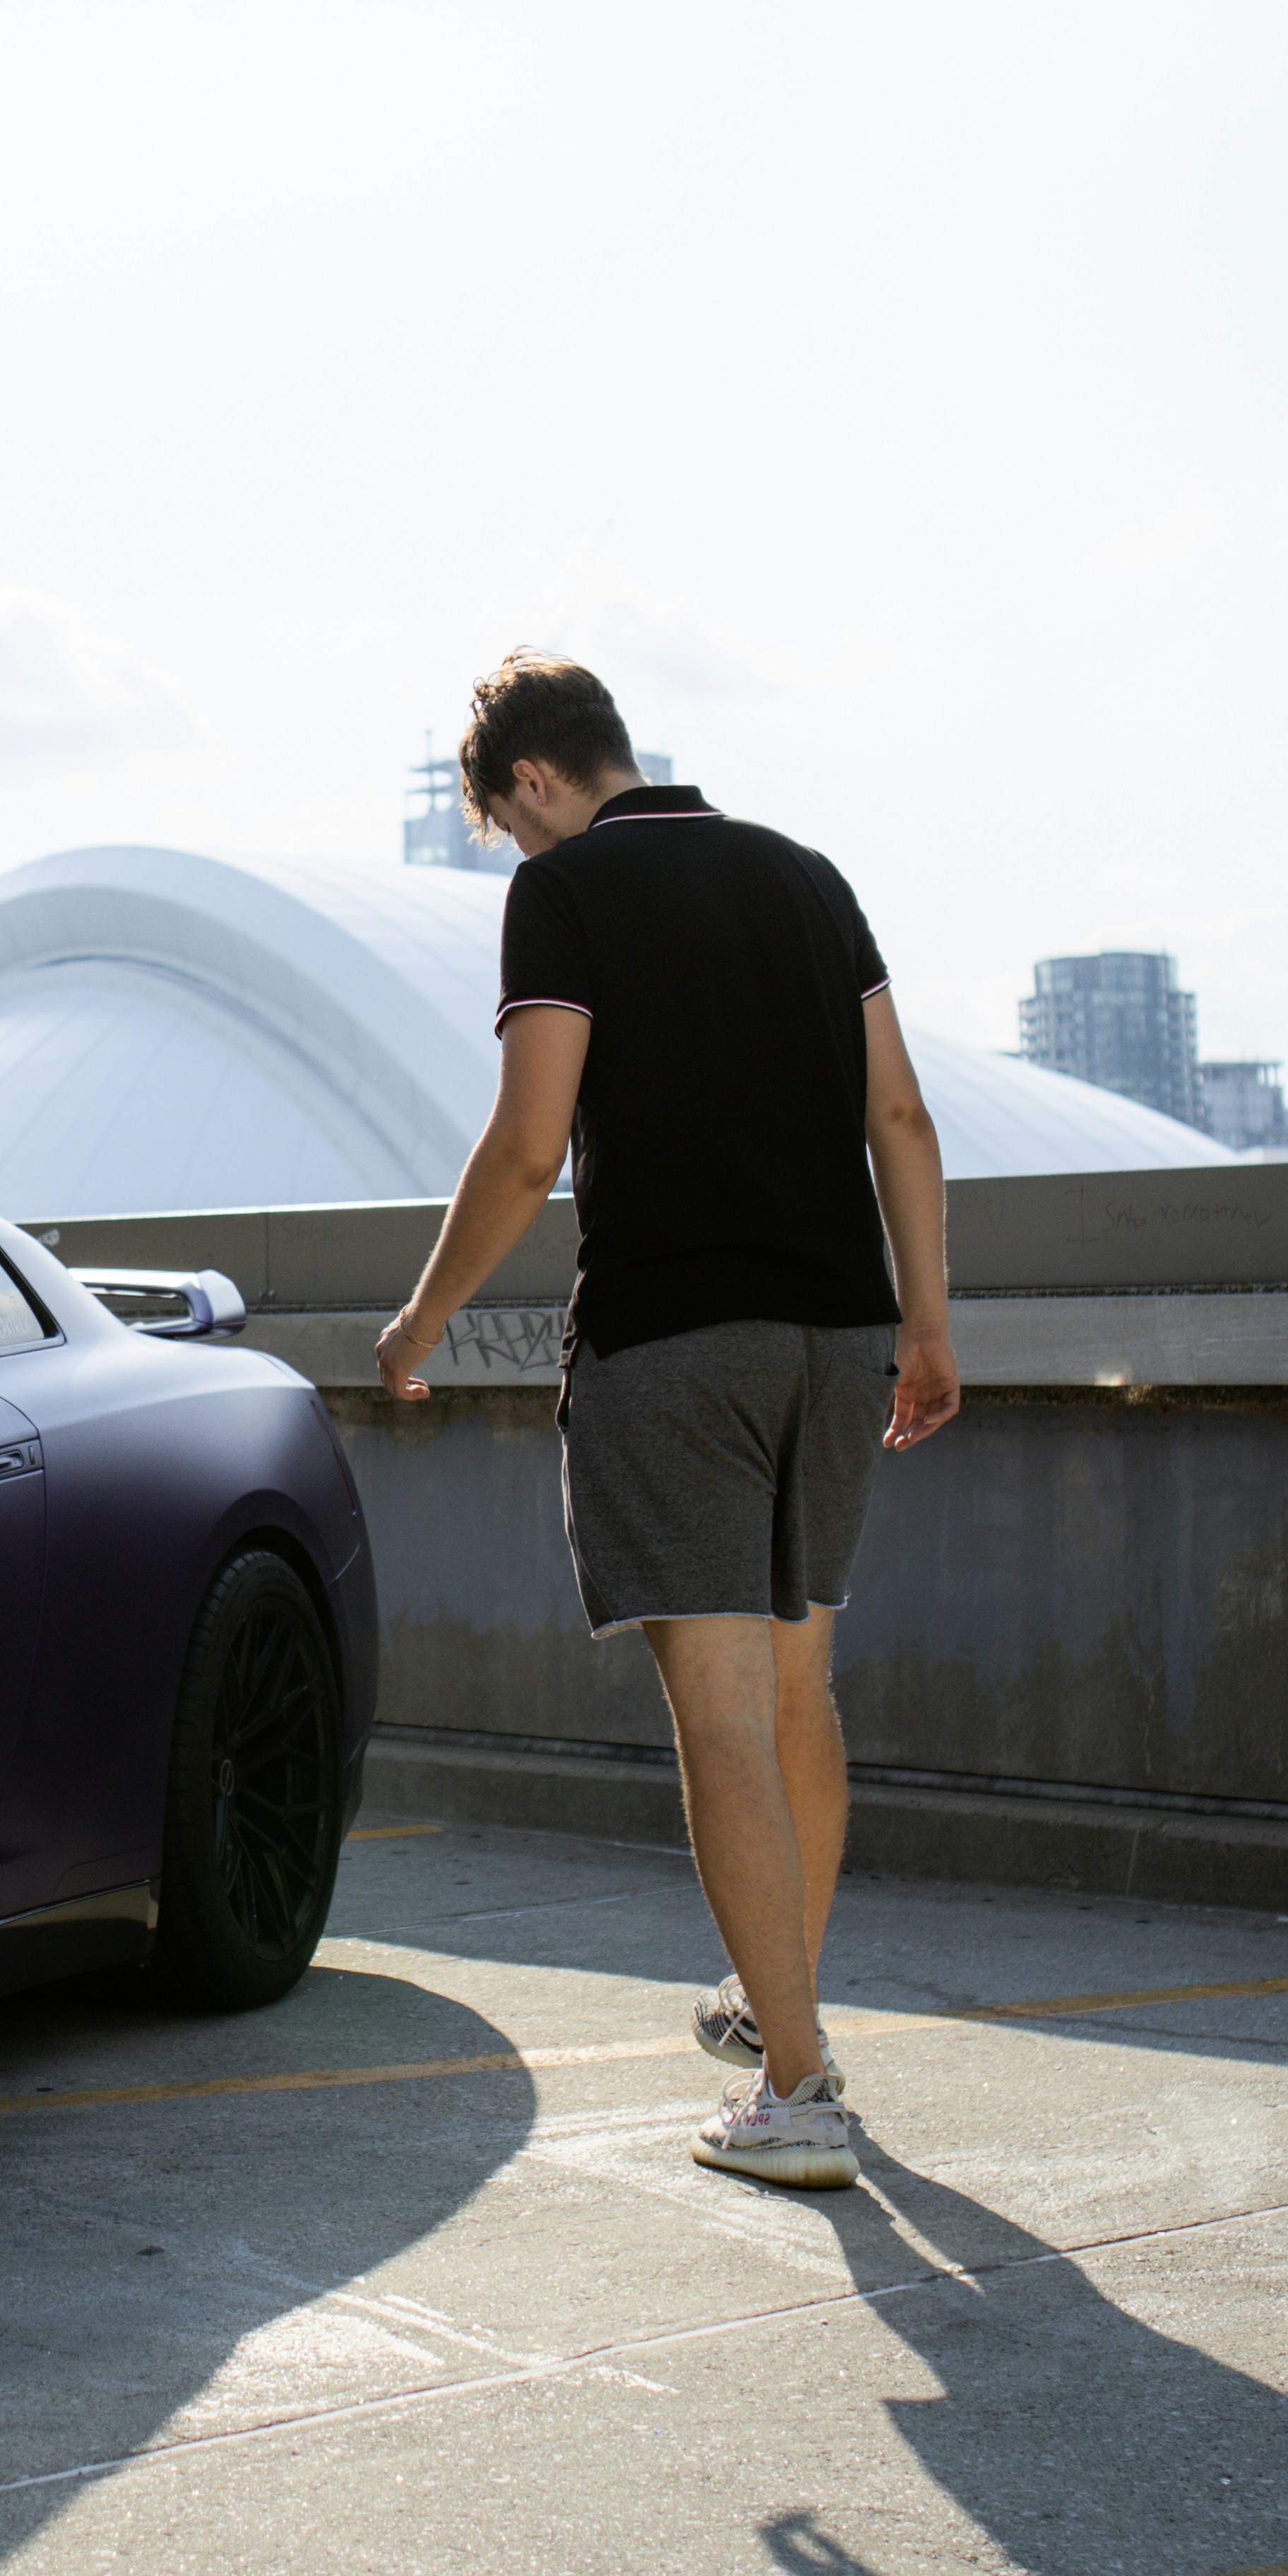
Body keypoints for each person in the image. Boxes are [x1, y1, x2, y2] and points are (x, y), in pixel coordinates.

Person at [375, 652, 959, 2192]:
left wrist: (421, 1318)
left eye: (505, 825)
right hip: (837, 1333)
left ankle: (796, 2085)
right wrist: (926, 1321)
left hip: (671, 1342)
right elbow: (896, 1114)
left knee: (715, 1714)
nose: (513, 851)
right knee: (793, 1692)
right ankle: (786, 2019)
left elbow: (525, 1143)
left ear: (529, 783)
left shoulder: (564, 894)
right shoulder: (803, 877)